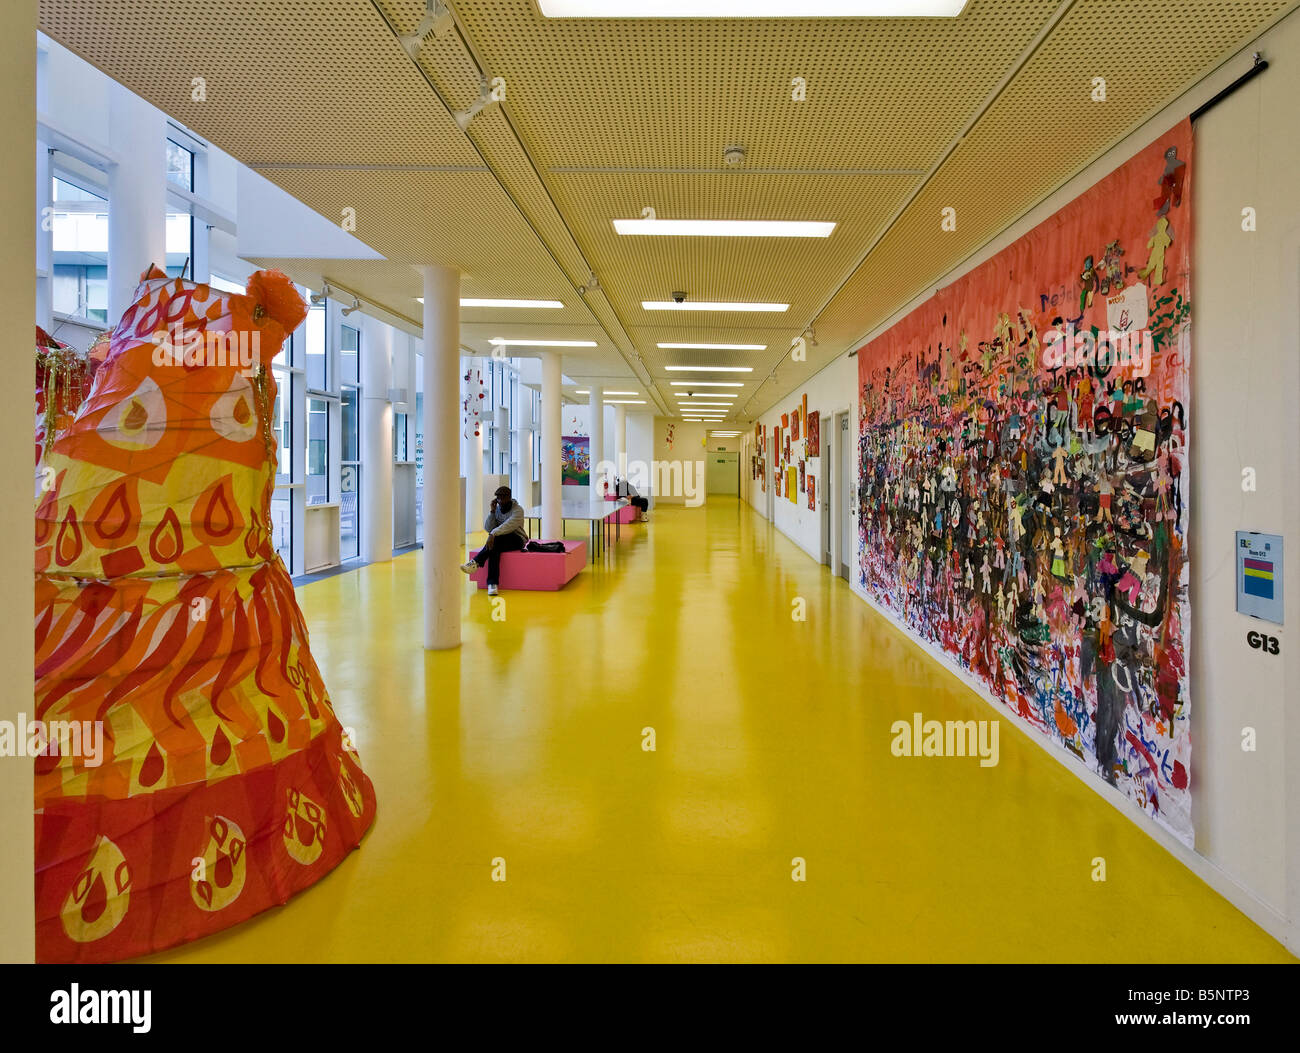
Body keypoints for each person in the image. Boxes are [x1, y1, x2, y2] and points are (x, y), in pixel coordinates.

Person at [460, 486, 528, 595]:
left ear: (509, 497)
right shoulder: (497, 510)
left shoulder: (518, 510)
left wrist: (493, 534)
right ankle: (492, 584)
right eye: (498, 498)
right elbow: (488, 528)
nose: (500, 501)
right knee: (494, 549)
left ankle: (476, 563)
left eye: (503, 498)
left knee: (496, 541)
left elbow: (508, 526)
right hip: (499, 540)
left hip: (517, 539)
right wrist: (492, 511)